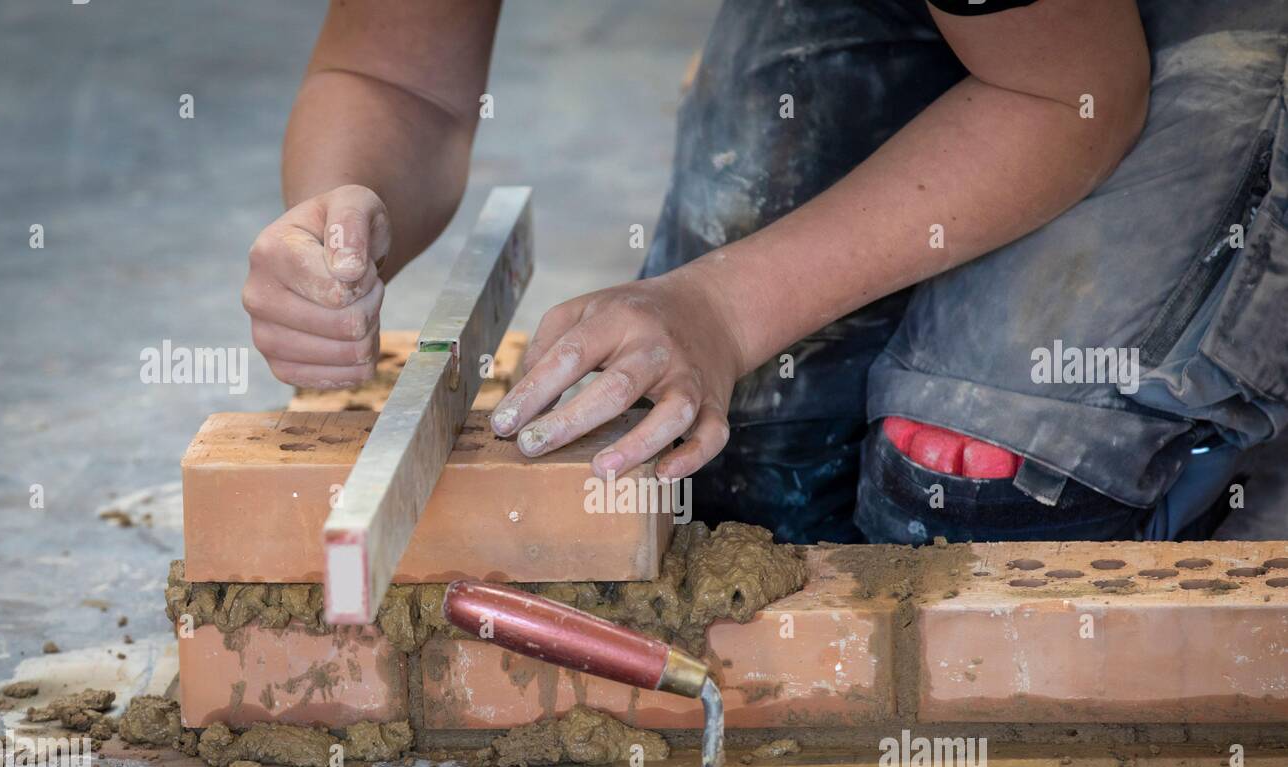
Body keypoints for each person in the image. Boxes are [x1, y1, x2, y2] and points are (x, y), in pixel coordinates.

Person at [243, 0, 1288, 544]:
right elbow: (393, 77)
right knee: (746, 479)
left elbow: (1072, 95)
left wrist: (718, 305)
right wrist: (334, 209)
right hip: (1012, 35)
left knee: (977, 488)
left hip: (1112, 50)